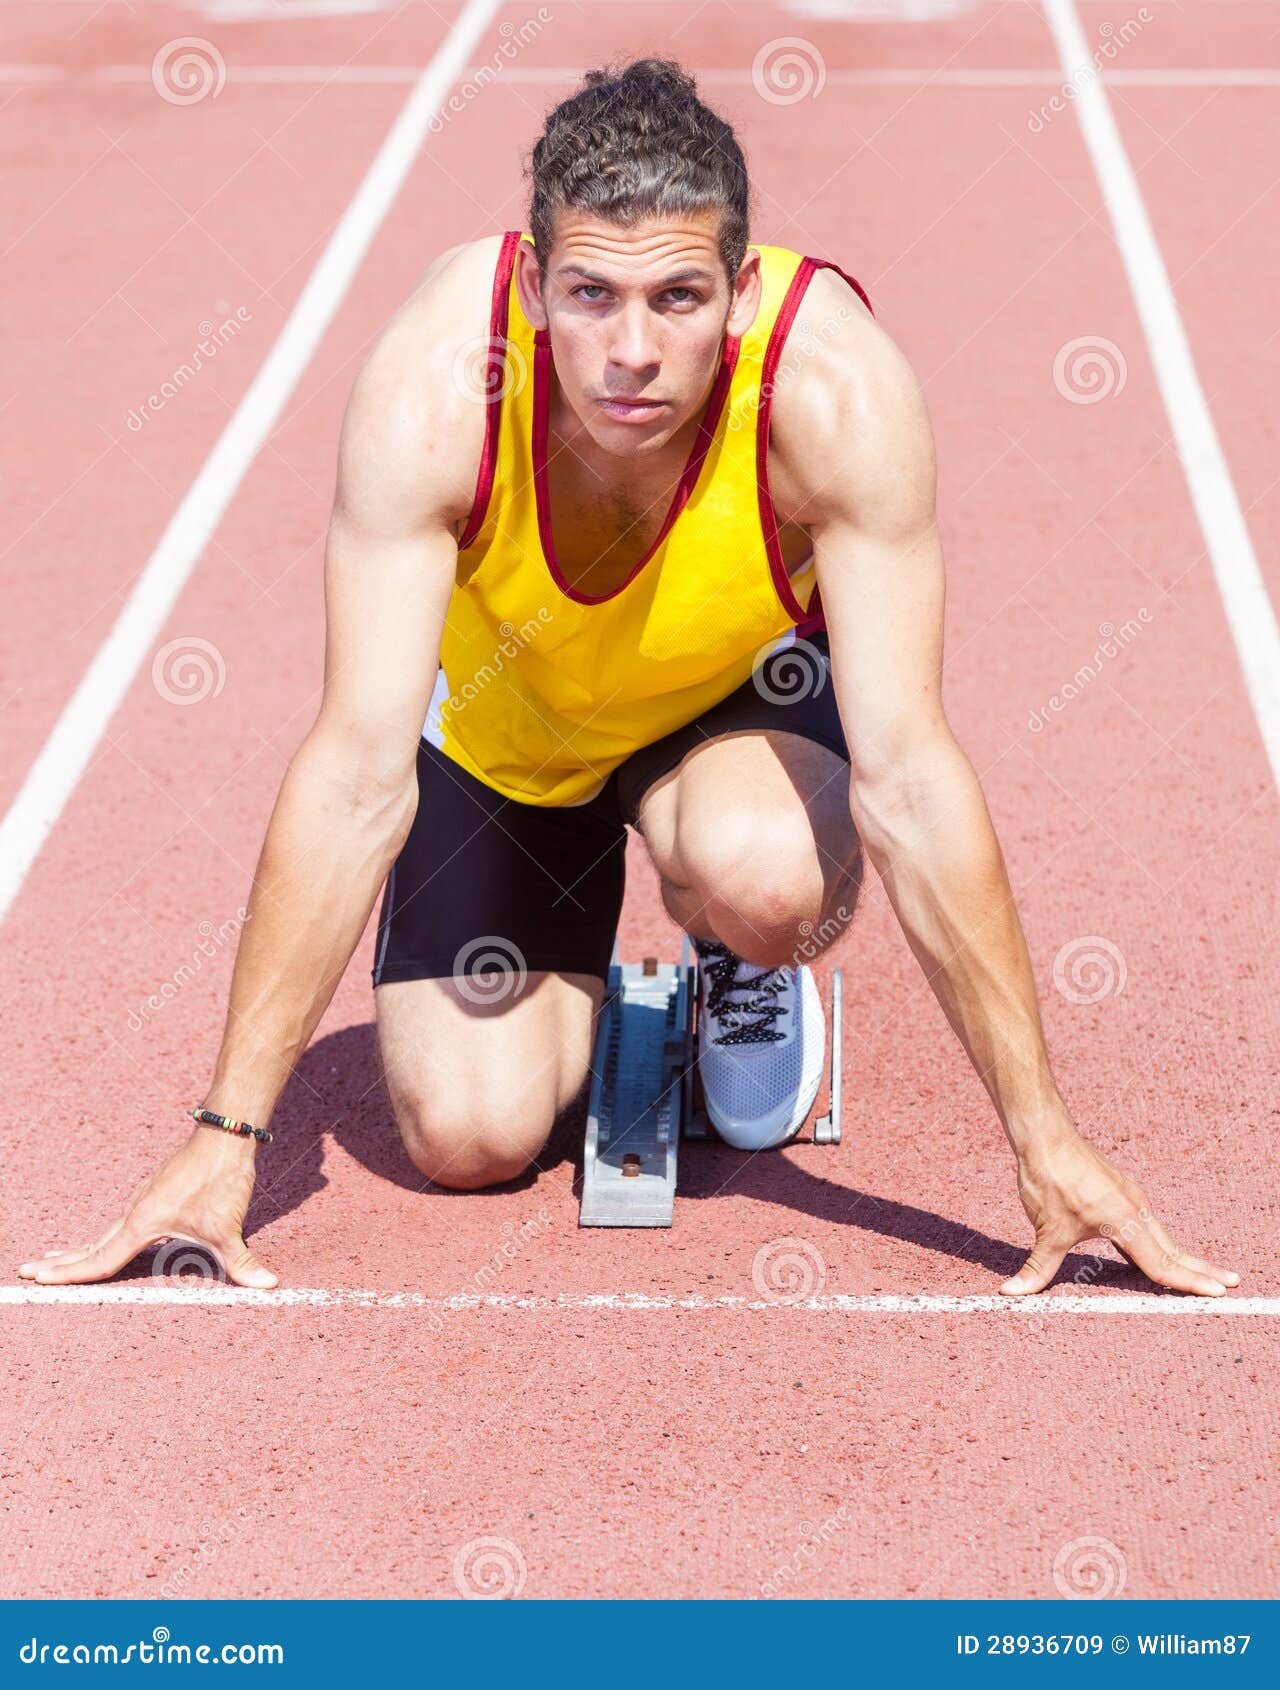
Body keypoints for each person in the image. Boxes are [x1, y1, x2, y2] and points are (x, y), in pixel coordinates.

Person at [18, 60, 1238, 1298]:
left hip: (728, 708)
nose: (633, 351)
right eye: (591, 295)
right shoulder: (439, 386)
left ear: (741, 291)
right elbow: (350, 774)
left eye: (678, 297)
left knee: (764, 880)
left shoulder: (835, 393)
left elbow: (911, 777)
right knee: (466, 1139)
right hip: (514, 733)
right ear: (536, 285)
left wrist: (1044, 1139)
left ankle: (737, 961)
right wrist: (225, 1139)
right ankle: (582, 957)